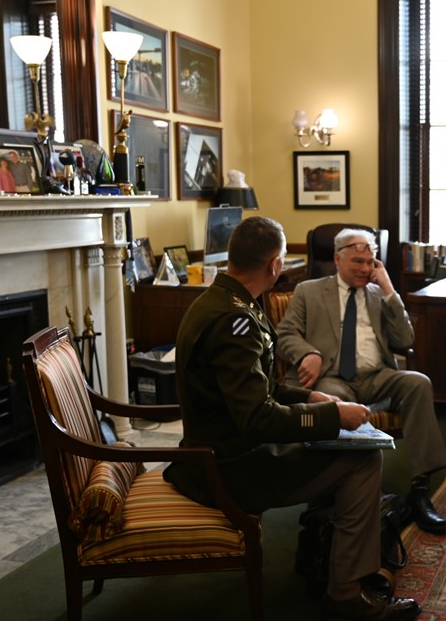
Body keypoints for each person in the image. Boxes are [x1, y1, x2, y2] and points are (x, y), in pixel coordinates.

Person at [164, 216, 421, 621]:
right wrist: (331, 416)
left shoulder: (224, 301)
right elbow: (258, 419)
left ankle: (323, 550)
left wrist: (309, 396)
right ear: (274, 265)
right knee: (363, 459)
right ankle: (346, 594)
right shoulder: (235, 323)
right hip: (229, 467)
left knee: (340, 447)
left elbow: (260, 387)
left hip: (223, 447)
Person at [276, 228, 446, 534]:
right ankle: (338, 489)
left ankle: (420, 490)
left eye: (370, 262)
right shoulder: (309, 291)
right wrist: (309, 353)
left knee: (418, 382)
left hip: (378, 376)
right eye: (357, 261)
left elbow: (405, 339)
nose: (365, 269)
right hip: (332, 378)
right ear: (337, 259)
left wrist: (389, 290)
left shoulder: (377, 294)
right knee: (332, 401)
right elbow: (285, 334)